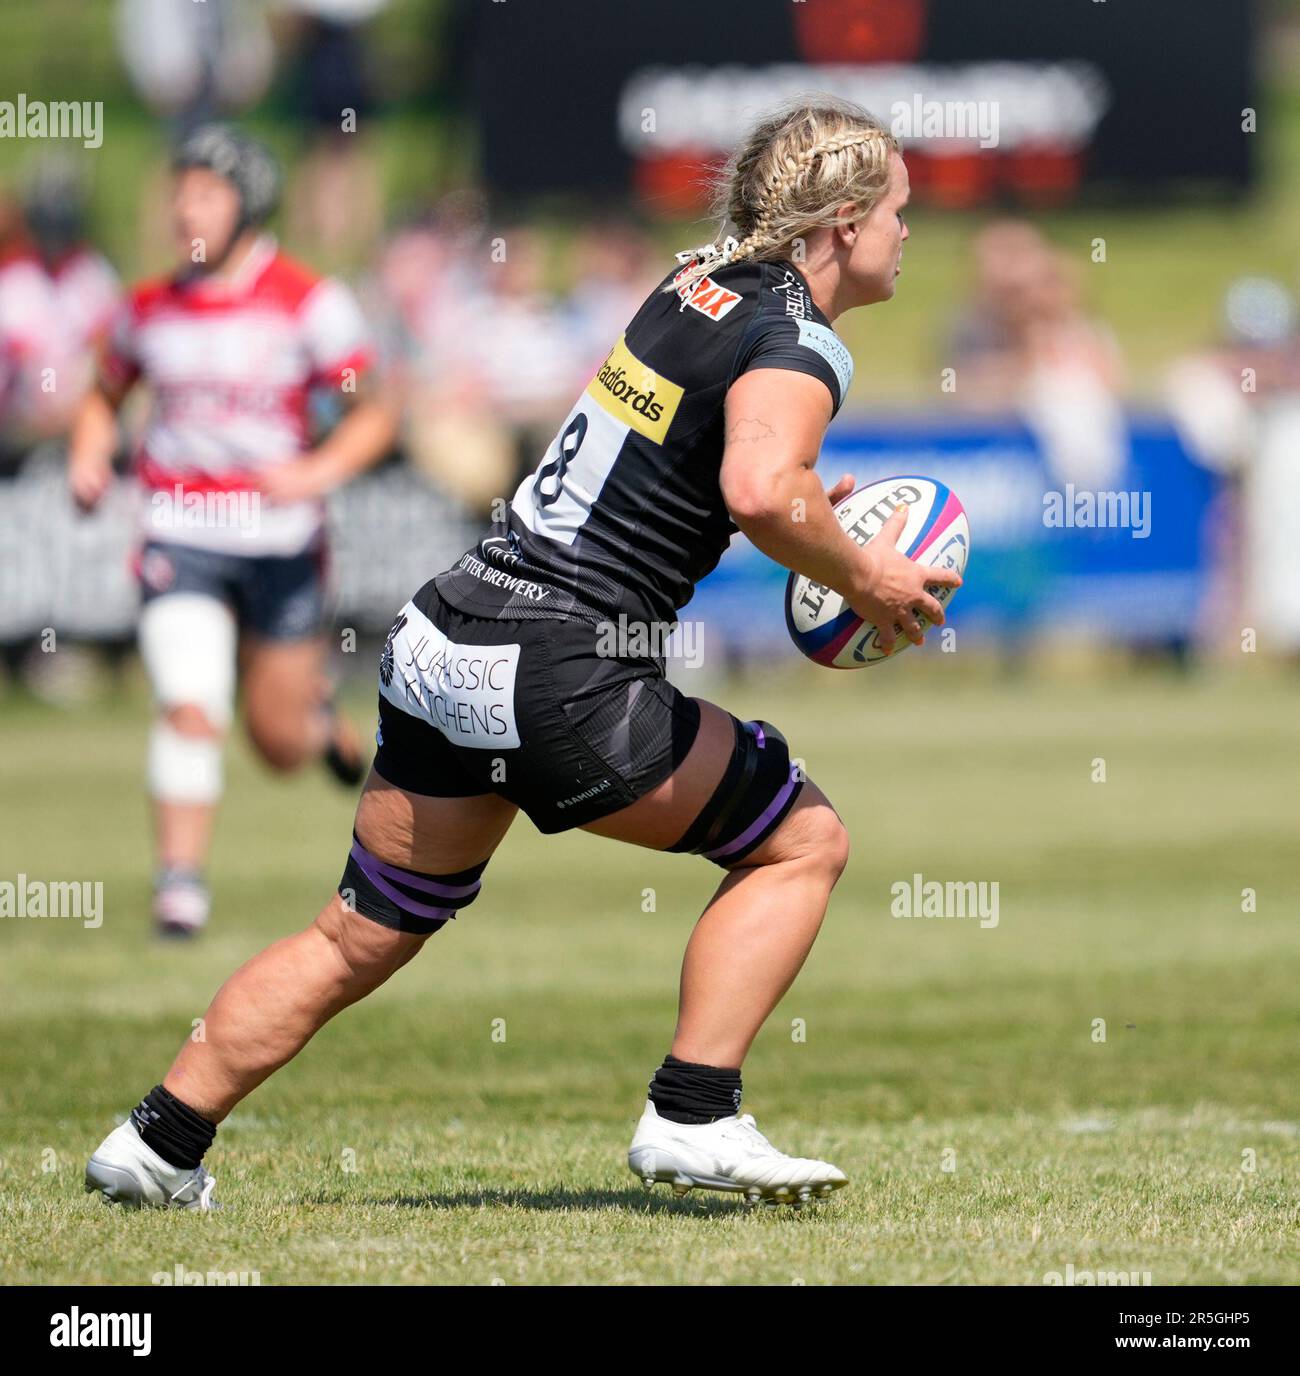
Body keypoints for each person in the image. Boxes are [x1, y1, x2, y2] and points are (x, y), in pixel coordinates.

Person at [84, 97, 959, 1209]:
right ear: (838, 223)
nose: (905, 233)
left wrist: (799, 514)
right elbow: (753, 483)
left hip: (449, 623)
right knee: (800, 841)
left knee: (360, 930)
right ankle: (695, 1111)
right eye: (896, 211)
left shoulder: (693, 280)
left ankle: (156, 1139)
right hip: (556, 659)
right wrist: (865, 574)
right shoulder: (799, 334)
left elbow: (695, 472)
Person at [67, 125, 397, 937]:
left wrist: (315, 474)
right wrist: (86, 450)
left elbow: (374, 412)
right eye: (179, 190)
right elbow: (103, 392)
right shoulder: (147, 308)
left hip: (281, 542)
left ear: (247, 204)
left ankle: (314, 720)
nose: (184, 208)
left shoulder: (311, 303)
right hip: (180, 535)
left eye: (205, 192)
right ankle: (179, 888)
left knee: (277, 742)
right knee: (189, 702)